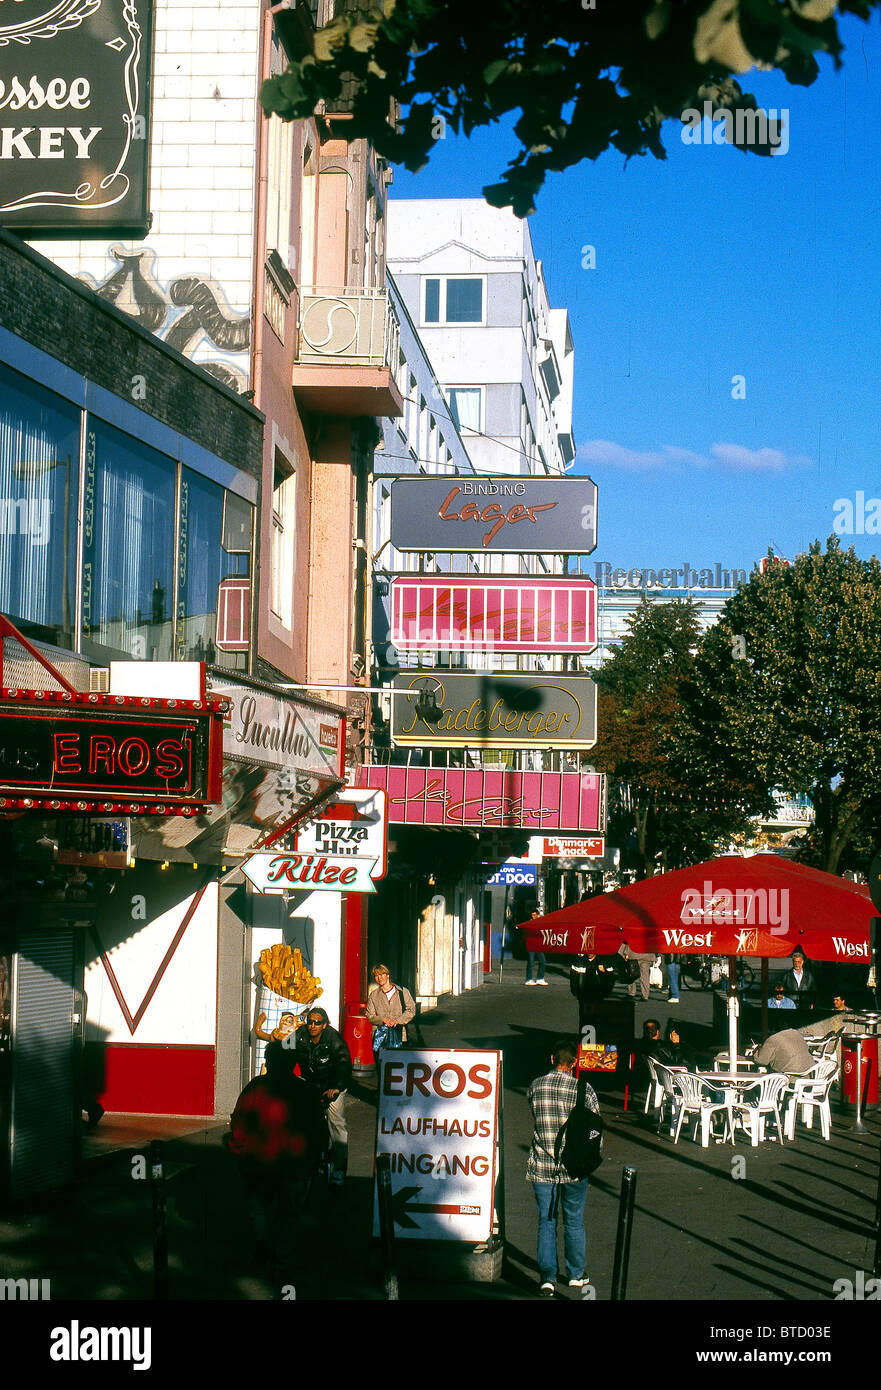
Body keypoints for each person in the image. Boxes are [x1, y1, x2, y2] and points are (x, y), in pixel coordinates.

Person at [227, 1040, 327, 1264]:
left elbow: (239, 1123)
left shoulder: (255, 1087)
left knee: (259, 1207)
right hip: (296, 1163)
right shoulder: (307, 1091)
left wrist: (238, 1149)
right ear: (293, 1064)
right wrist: (317, 1159)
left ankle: (262, 1243)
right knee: (290, 1211)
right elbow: (319, 1131)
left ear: (269, 1062)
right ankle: (283, 1254)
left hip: (259, 1160)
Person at [526, 1040, 600, 1297]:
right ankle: (576, 1274)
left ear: (551, 1058)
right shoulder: (584, 1089)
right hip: (574, 1166)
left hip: (541, 1164)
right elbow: (595, 1129)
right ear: (575, 1063)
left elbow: (534, 1114)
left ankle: (547, 1277)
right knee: (574, 1220)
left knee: (546, 1221)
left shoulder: (536, 1086)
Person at [294, 1007, 353, 1187]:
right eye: (310, 1022)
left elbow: (344, 1063)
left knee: (337, 1125)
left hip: (332, 1084)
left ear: (324, 1025)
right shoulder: (300, 1035)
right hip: (310, 1084)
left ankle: (339, 1170)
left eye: (317, 1023)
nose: (312, 1026)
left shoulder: (334, 1040)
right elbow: (284, 1050)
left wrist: (336, 1087)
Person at [366, 964, 417, 1050]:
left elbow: (411, 1010)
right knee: (382, 1062)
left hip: (400, 1036)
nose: (379, 978)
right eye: (376, 976)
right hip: (380, 1038)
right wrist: (382, 1020)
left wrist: (397, 1021)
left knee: (398, 1062)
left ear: (387, 975)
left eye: (382, 974)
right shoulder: (373, 995)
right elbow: (369, 1015)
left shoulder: (403, 992)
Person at [569, 953, 617, 1029]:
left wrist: (603, 971)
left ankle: (596, 1036)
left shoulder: (604, 961)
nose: (589, 953)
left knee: (597, 1017)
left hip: (598, 994)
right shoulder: (579, 962)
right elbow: (573, 977)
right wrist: (576, 993)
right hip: (583, 994)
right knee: (584, 1017)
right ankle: (584, 1037)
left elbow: (611, 979)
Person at [524, 911, 548, 985]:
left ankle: (540, 978)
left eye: (534, 915)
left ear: (537, 915)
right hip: (531, 945)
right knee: (531, 962)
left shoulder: (540, 922)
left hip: (538, 945)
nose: (533, 916)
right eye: (532, 915)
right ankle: (529, 979)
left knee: (543, 961)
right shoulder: (529, 923)